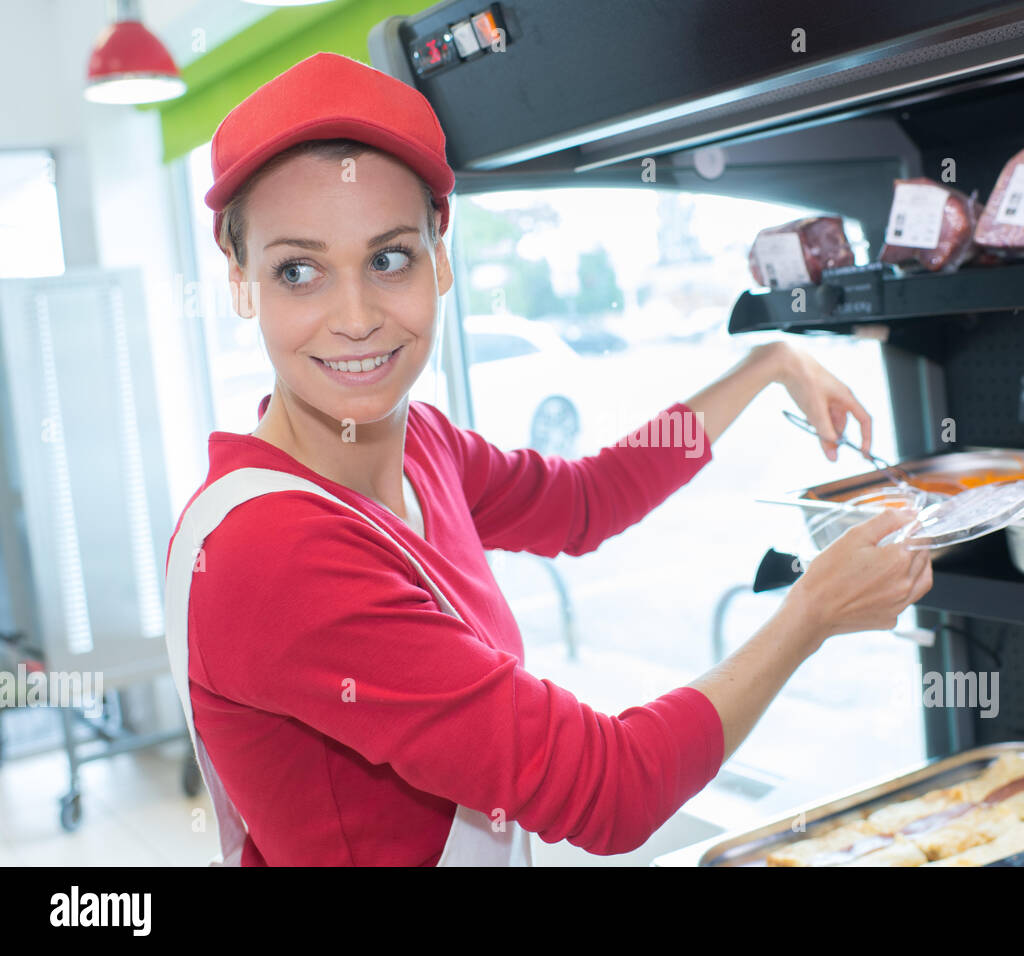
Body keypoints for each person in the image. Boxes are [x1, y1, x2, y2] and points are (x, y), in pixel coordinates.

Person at [163, 52, 932, 867]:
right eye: (300, 271)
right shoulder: (271, 553)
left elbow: (585, 502)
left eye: (389, 258)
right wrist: (812, 612)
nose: (355, 317)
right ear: (242, 282)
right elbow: (611, 788)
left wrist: (766, 365)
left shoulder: (419, 442)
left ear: (441, 259)